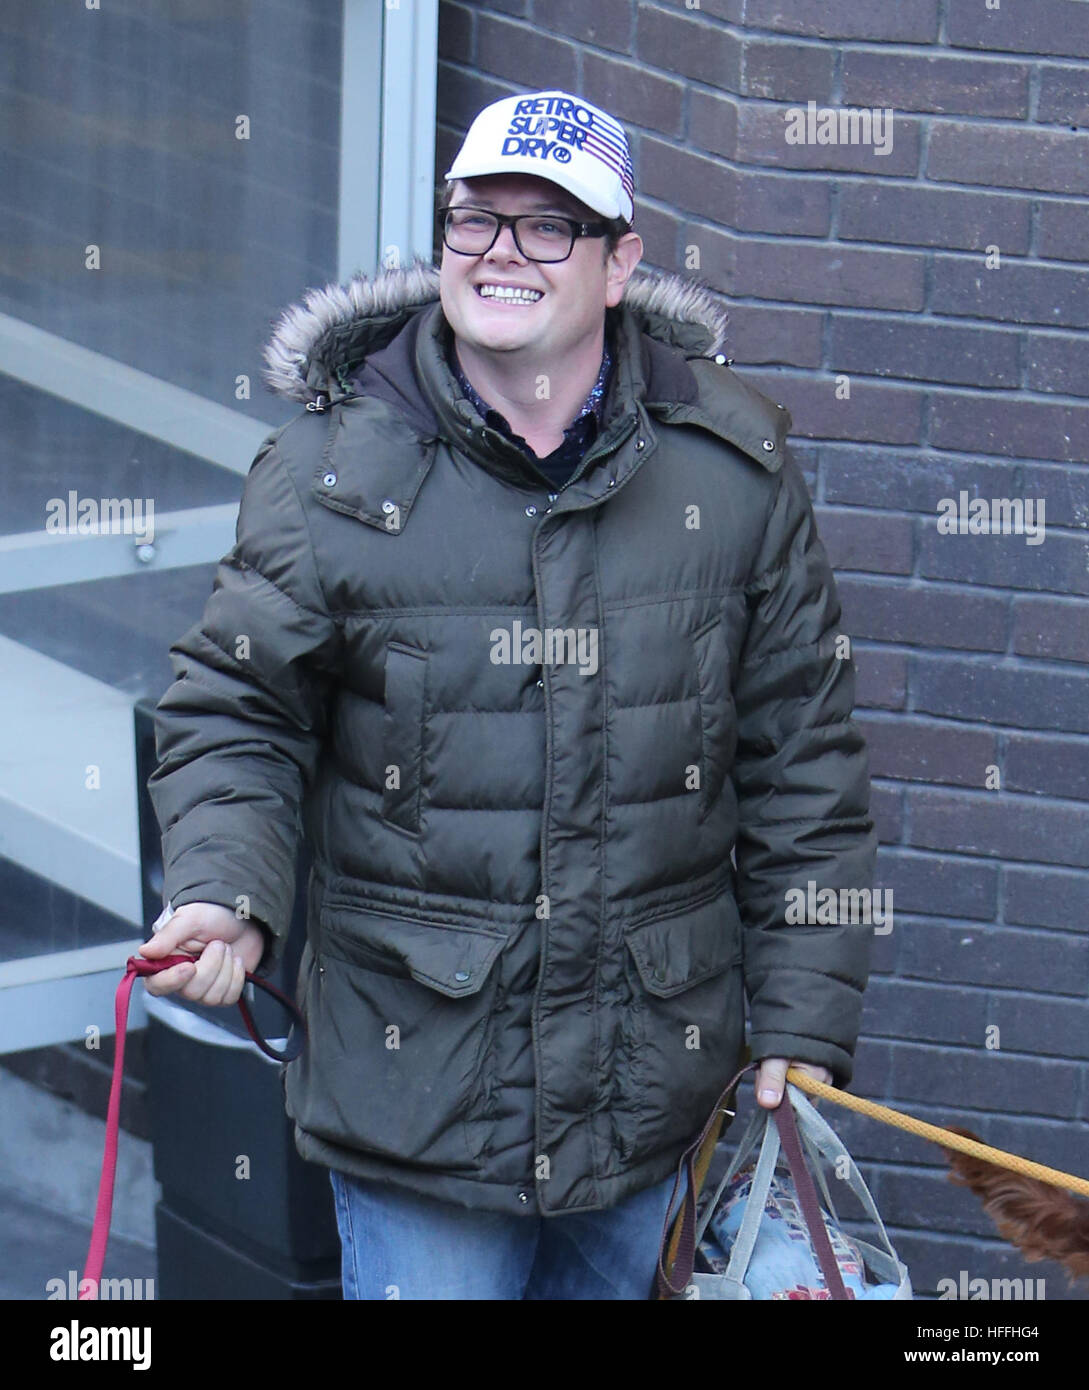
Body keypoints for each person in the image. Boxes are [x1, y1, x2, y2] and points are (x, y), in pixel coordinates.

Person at [141, 89, 876, 1300]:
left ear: (621, 261)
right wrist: (228, 892)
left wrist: (804, 1017)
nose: (501, 255)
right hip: (418, 1107)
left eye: (548, 227)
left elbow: (805, 756)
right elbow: (239, 708)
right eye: (475, 222)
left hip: (654, 1104)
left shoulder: (734, 470)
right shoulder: (329, 474)